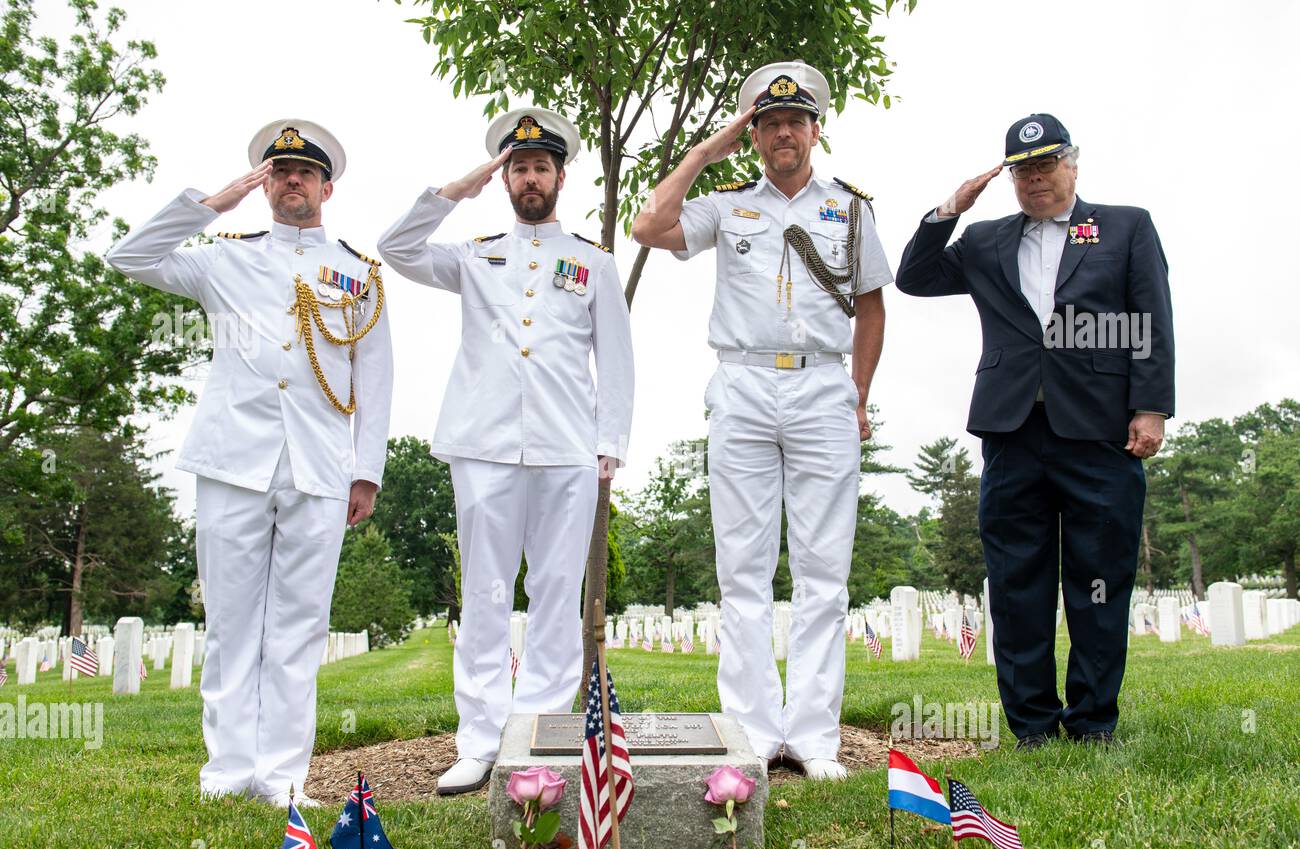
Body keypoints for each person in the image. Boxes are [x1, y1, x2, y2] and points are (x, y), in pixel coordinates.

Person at [107, 120, 394, 802]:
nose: (290, 179)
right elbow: (129, 257)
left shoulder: (360, 274)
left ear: (327, 185)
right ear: (264, 182)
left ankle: (283, 777)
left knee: (297, 627)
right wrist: (208, 204)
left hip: (320, 465)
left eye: (303, 171)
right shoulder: (223, 256)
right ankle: (228, 773)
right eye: (278, 170)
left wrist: (367, 471)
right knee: (232, 624)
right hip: (233, 459)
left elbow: (376, 377)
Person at [632, 62, 892, 780]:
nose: (784, 132)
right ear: (753, 135)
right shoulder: (725, 205)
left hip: (822, 387)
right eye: (769, 122)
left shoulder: (850, 208)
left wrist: (859, 394)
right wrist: (700, 154)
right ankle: (750, 731)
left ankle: (812, 738)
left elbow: (871, 306)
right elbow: (649, 224)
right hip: (743, 384)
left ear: (815, 129)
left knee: (823, 569)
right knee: (741, 568)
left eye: (795, 120)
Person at [895, 113, 1175, 748]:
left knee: (1099, 582)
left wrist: (1151, 407)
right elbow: (913, 278)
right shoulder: (987, 239)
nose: (1036, 178)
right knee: (1017, 584)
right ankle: (1033, 728)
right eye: (1022, 170)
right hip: (1012, 431)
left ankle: (1093, 723)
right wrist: (950, 208)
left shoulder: (1125, 227)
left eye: (1047, 164)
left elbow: (1150, 318)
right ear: (1009, 178)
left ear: (1073, 165)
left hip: (1102, 433)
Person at [378, 108, 635, 795]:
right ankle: (480, 738)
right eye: (517, 167)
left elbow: (616, 360)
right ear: (505, 177)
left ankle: (540, 735)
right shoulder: (473, 254)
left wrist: (609, 443)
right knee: (486, 594)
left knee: (556, 593)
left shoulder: (593, 262)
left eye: (540, 167)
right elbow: (397, 248)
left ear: (559, 176)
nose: (529, 177)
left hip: (567, 446)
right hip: (483, 445)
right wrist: (453, 191)